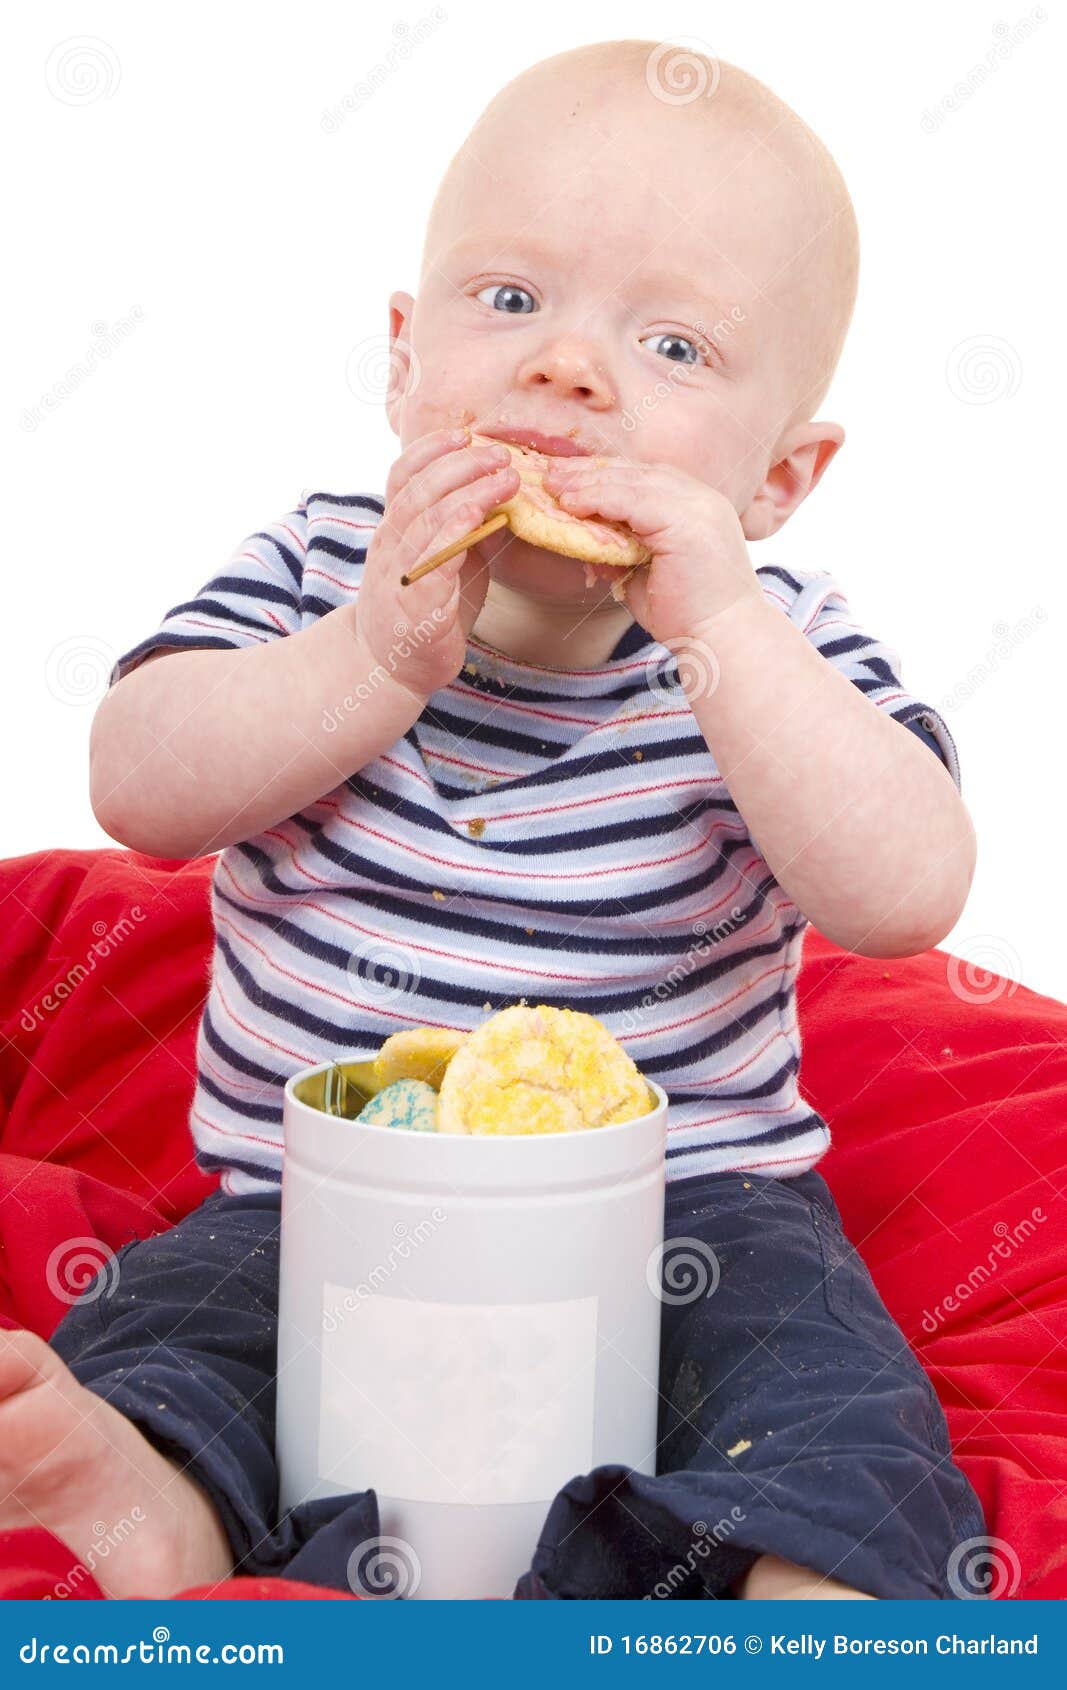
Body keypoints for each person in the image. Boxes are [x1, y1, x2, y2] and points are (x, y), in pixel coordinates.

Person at [0, 40, 988, 1600]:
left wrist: (725, 629)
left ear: (780, 477)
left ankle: (804, 1584)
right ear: (405, 360)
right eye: (512, 299)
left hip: (687, 1216)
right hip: (323, 1203)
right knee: (178, 1330)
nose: (569, 368)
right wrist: (369, 661)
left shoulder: (775, 638)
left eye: (673, 344)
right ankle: (151, 1499)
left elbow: (908, 888)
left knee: (821, 1383)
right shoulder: (324, 570)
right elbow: (141, 785)